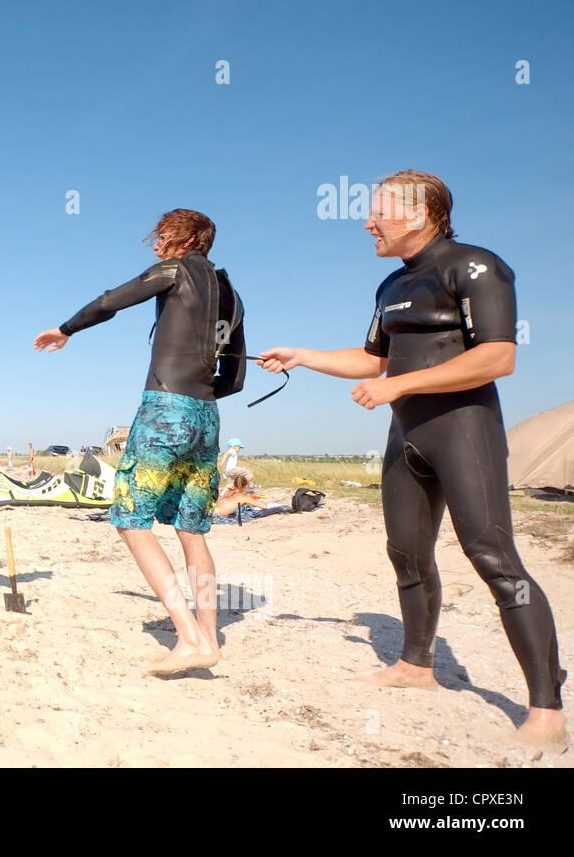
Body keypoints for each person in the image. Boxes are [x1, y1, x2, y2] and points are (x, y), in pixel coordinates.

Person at [258, 170, 566, 749]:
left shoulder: (475, 266)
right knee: (406, 551)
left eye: (378, 212)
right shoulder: (391, 286)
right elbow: (375, 360)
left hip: (464, 429)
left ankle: (547, 707)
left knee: (492, 556)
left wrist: (402, 387)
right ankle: (417, 666)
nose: (367, 221)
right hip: (407, 438)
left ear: (421, 215)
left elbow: (497, 358)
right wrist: (304, 355)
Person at [34, 208, 246, 675]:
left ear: (188, 239)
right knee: (192, 530)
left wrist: (66, 329)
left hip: (164, 411)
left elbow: (113, 300)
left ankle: (190, 638)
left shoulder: (174, 269)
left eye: (163, 236)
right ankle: (209, 636)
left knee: (130, 519)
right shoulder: (232, 296)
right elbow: (234, 377)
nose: (155, 245)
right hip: (207, 416)